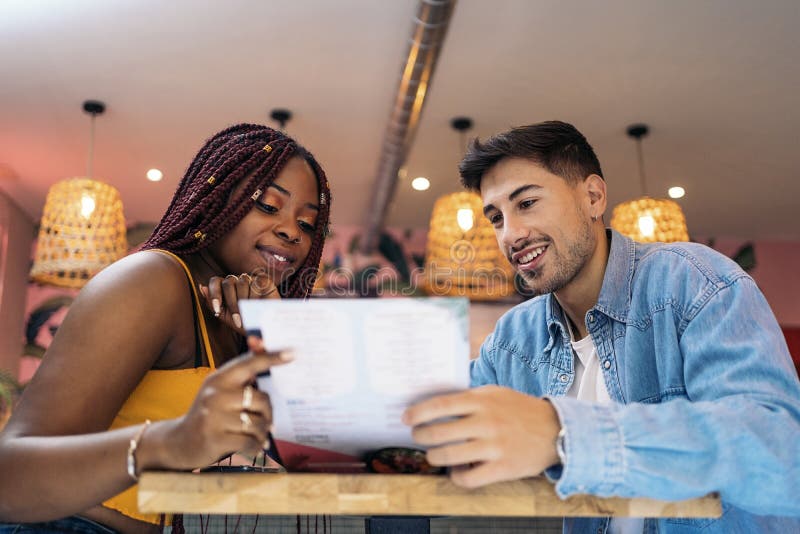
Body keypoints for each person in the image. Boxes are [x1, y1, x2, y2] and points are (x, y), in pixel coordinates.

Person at [402, 121, 800, 533]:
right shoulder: (512, 340)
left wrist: (562, 434)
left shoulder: (694, 281)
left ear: (593, 197)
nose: (511, 234)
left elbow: (779, 449)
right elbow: (436, 422)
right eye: (496, 217)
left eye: (527, 203)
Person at [0, 123, 331, 533]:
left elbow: (317, 457)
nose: (291, 231)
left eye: (308, 224)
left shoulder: (237, 319)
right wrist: (169, 443)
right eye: (267, 205)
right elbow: (9, 477)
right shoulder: (153, 280)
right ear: (215, 198)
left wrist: (275, 331)